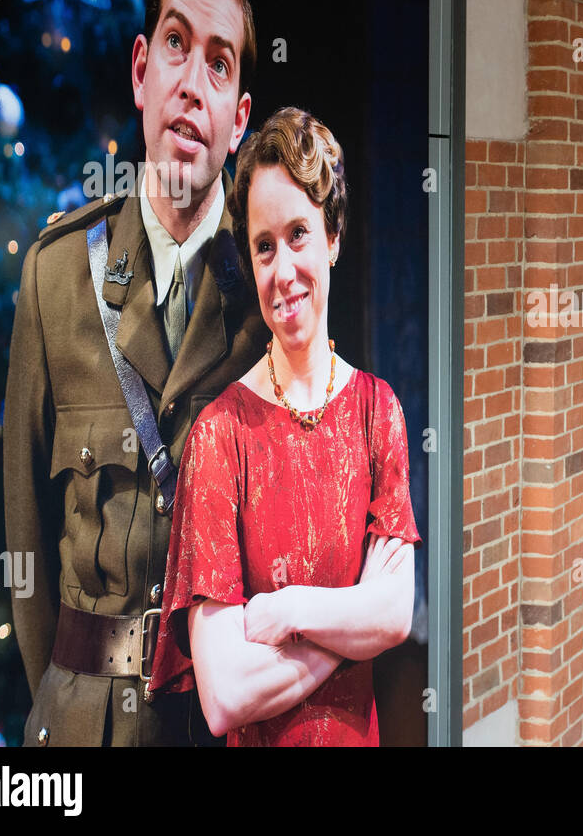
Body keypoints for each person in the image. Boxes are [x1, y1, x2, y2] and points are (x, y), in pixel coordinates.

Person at [3, 0, 267, 746]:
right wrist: (65, 713)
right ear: (140, 70)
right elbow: (26, 547)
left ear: (238, 117)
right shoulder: (55, 276)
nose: (194, 84)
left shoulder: (270, 297)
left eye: (219, 65)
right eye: (179, 47)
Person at [147, 108, 420, 746]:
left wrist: (285, 610)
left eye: (298, 234)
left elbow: (398, 612)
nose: (281, 270)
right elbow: (225, 697)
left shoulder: (379, 413)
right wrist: (351, 627)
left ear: (332, 238)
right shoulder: (220, 436)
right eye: (264, 246)